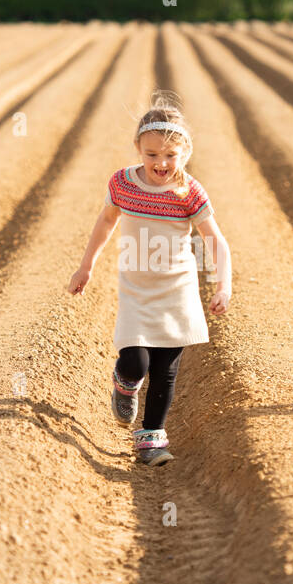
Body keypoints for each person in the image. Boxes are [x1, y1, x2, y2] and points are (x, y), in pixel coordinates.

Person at [68, 91, 231, 465]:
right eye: (152, 154)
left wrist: (224, 286)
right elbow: (106, 221)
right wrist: (86, 265)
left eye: (170, 155)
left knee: (165, 371)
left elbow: (216, 241)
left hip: (177, 291)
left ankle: (152, 438)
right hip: (137, 289)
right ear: (139, 150)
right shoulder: (123, 184)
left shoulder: (189, 191)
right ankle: (125, 385)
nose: (161, 163)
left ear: (184, 153)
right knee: (136, 362)